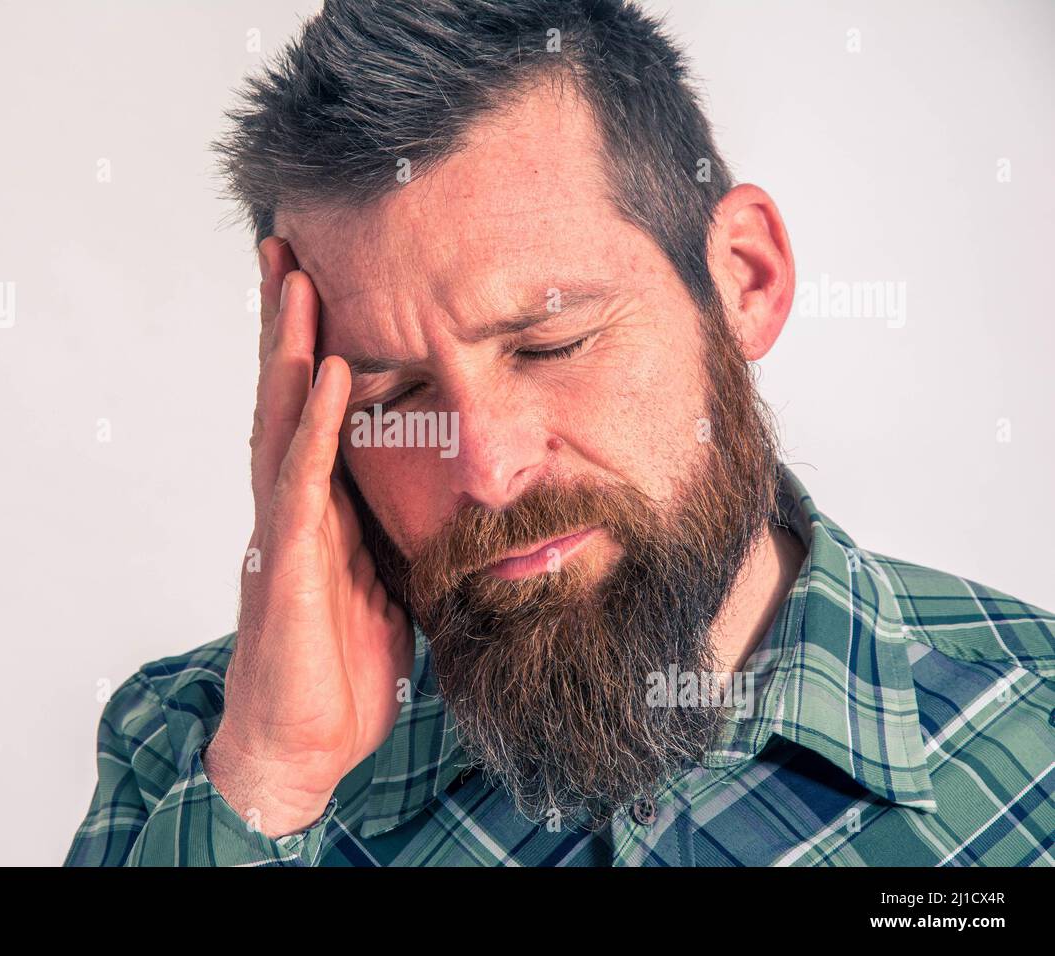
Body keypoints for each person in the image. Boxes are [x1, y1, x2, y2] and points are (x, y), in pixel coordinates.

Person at [65, 0, 1055, 866]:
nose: (487, 470)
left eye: (549, 343)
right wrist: (269, 785)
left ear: (744, 278)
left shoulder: (1033, 733)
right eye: (394, 395)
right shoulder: (197, 748)